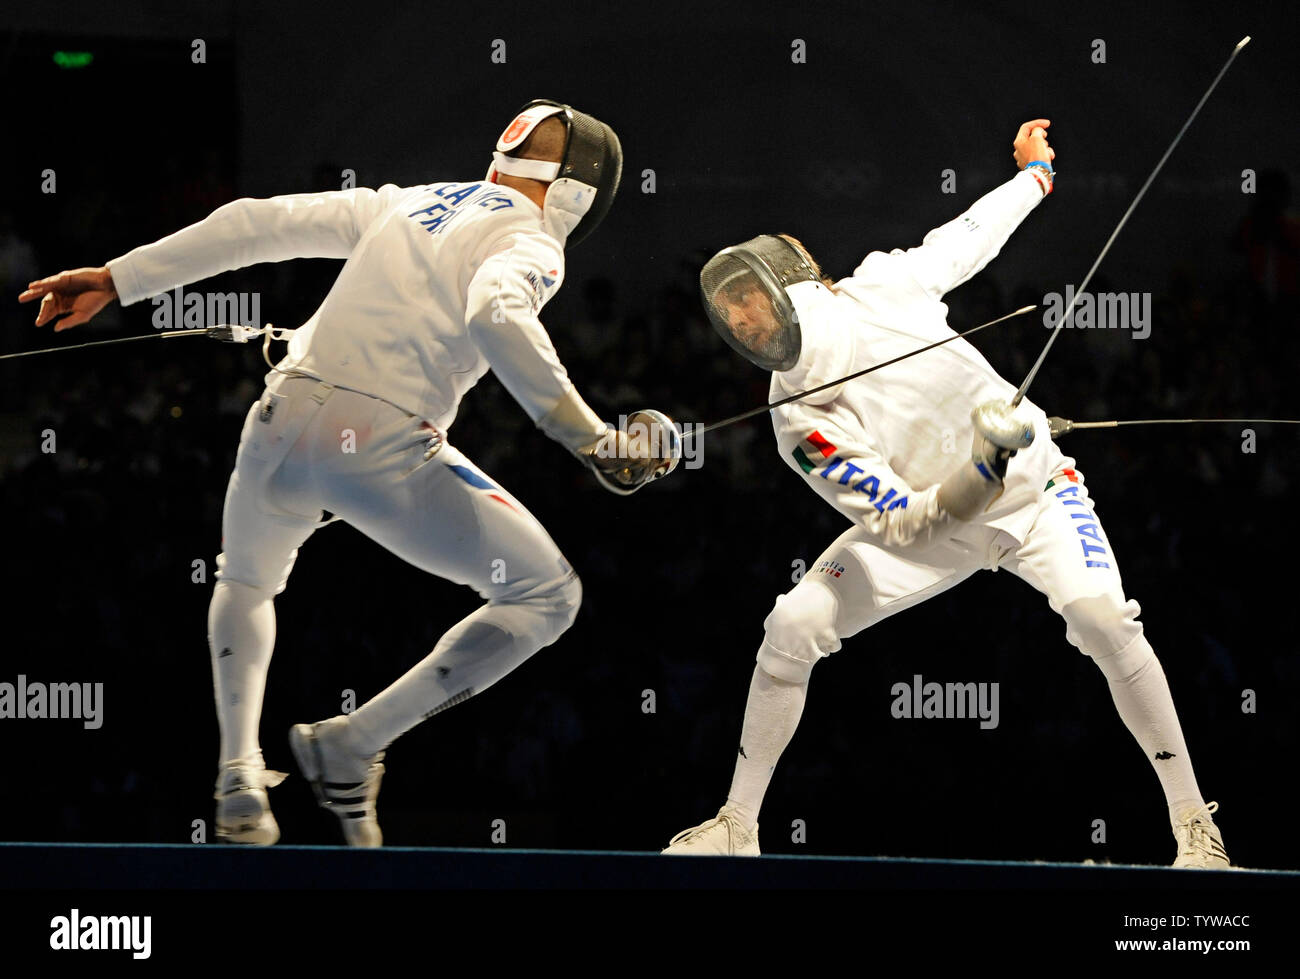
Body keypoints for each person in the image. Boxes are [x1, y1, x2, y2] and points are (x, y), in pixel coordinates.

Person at [20, 99, 679, 848]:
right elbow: (497, 314)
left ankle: (238, 771)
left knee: (245, 581)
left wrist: (120, 277)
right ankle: (352, 742)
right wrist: (592, 441)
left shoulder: (406, 202)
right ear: (575, 196)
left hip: (279, 418)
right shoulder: (530, 239)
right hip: (379, 446)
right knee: (549, 594)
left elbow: (255, 222)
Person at [663, 120, 1229, 868]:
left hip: (1036, 496)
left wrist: (1035, 174)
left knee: (1101, 617)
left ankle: (1195, 826)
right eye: (733, 315)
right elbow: (903, 522)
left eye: (750, 302)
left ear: (792, 281)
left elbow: (969, 235)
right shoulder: (799, 421)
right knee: (795, 620)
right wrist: (977, 466)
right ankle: (737, 823)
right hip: (934, 526)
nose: (744, 321)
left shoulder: (883, 287)